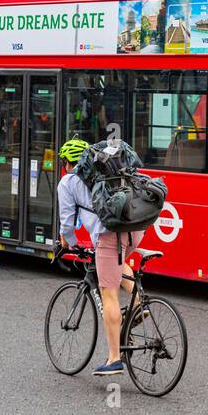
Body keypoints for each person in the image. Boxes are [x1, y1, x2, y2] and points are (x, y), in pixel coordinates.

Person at [55, 138, 144, 377]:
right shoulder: (108, 173)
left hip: (110, 235)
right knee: (120, 261)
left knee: (109, 293)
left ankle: (114, 358)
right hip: (136, 229)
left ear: (66, 163)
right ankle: (137, 305)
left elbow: (66, 226)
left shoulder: (68, 182)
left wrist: (67, 245)